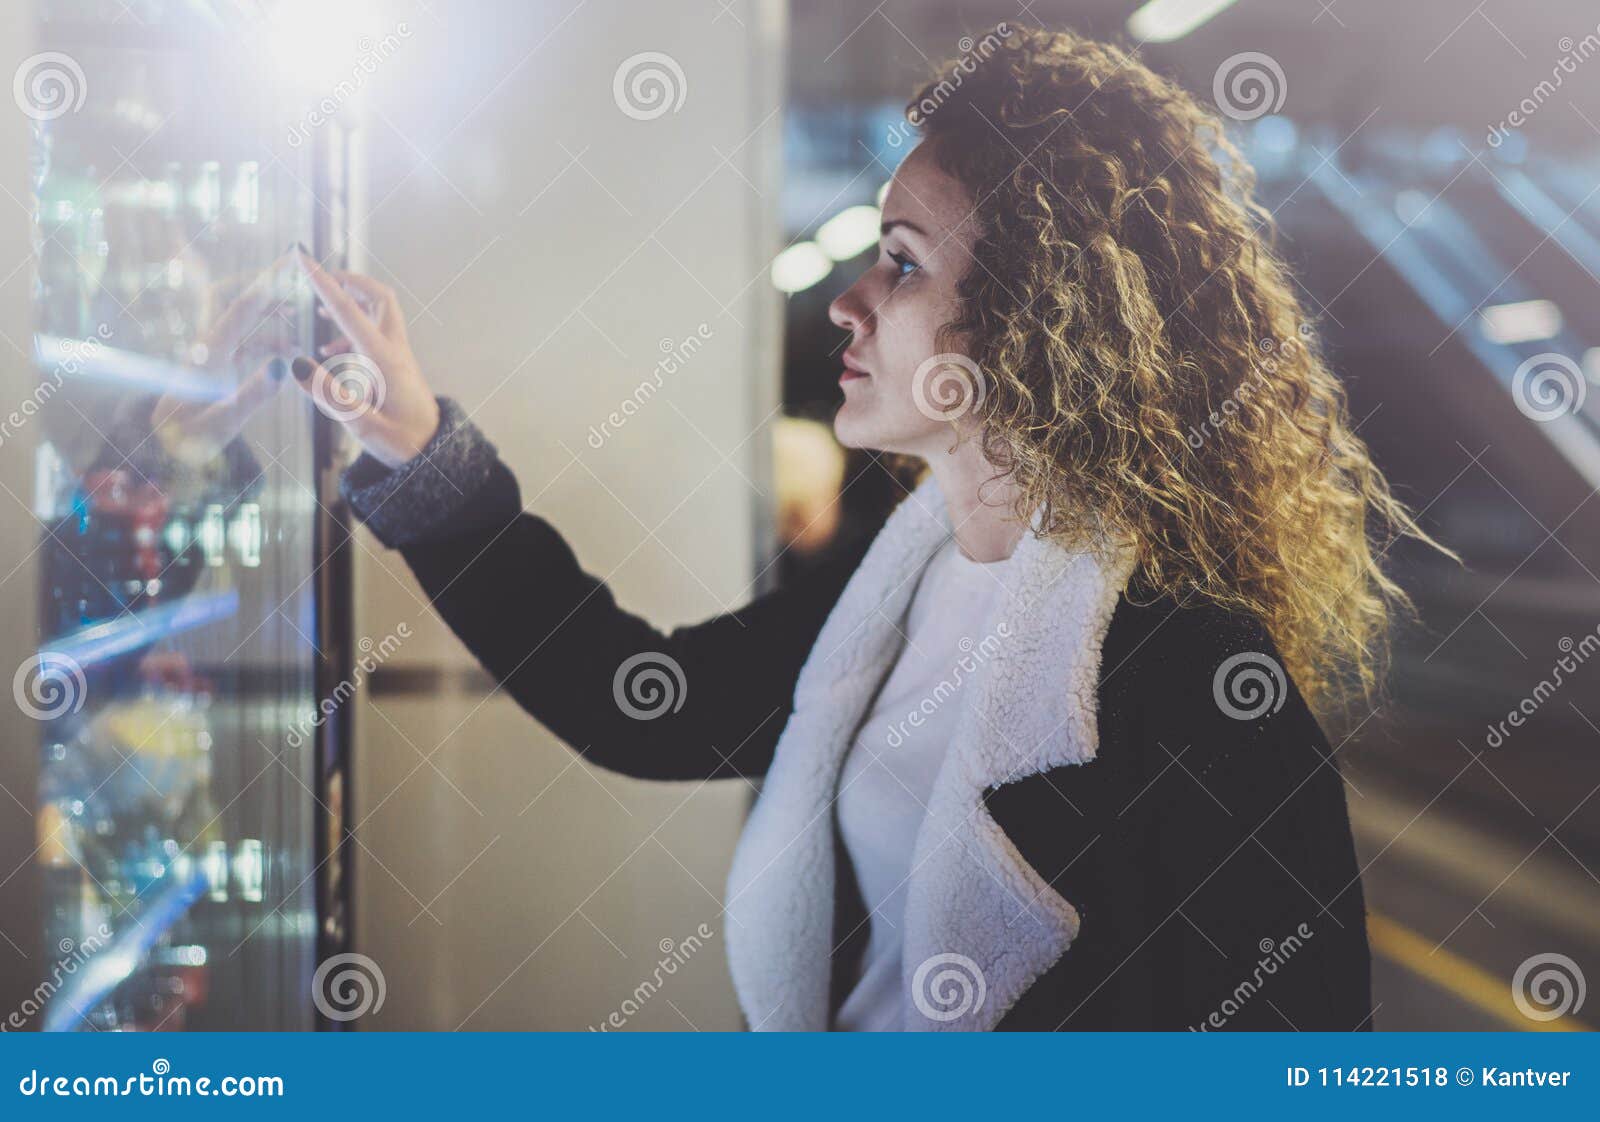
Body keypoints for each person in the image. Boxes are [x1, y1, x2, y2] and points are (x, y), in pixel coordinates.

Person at [284, 25, 1455, 1031]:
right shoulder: (890, 593)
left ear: (1028, 324)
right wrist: (420, 444)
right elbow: (634, 699)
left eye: (900, 264)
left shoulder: (1195, 674)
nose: (847, 300)